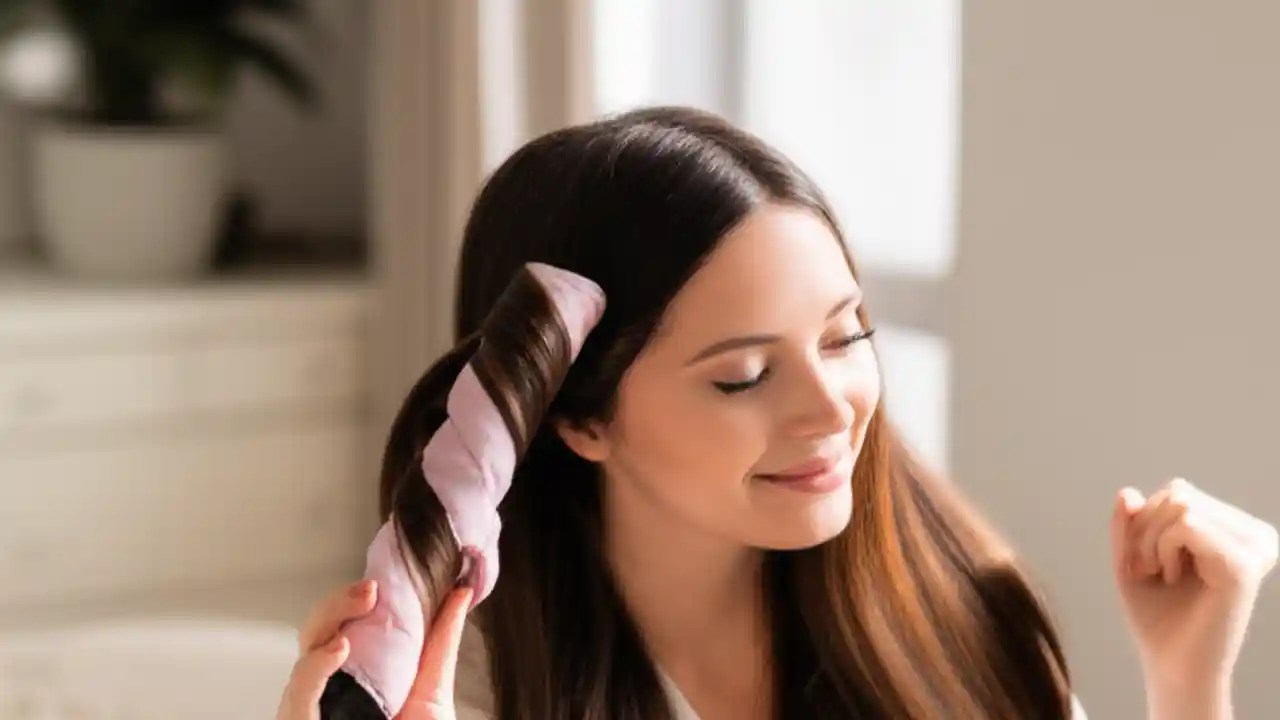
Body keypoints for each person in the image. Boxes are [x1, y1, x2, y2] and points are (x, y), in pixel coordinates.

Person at [276, 106, 1278, 719]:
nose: (828, 412)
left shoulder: (962, 625)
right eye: (742, 375)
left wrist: (1186, 685)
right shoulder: (466, 695)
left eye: (845, 338)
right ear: (581, 421)